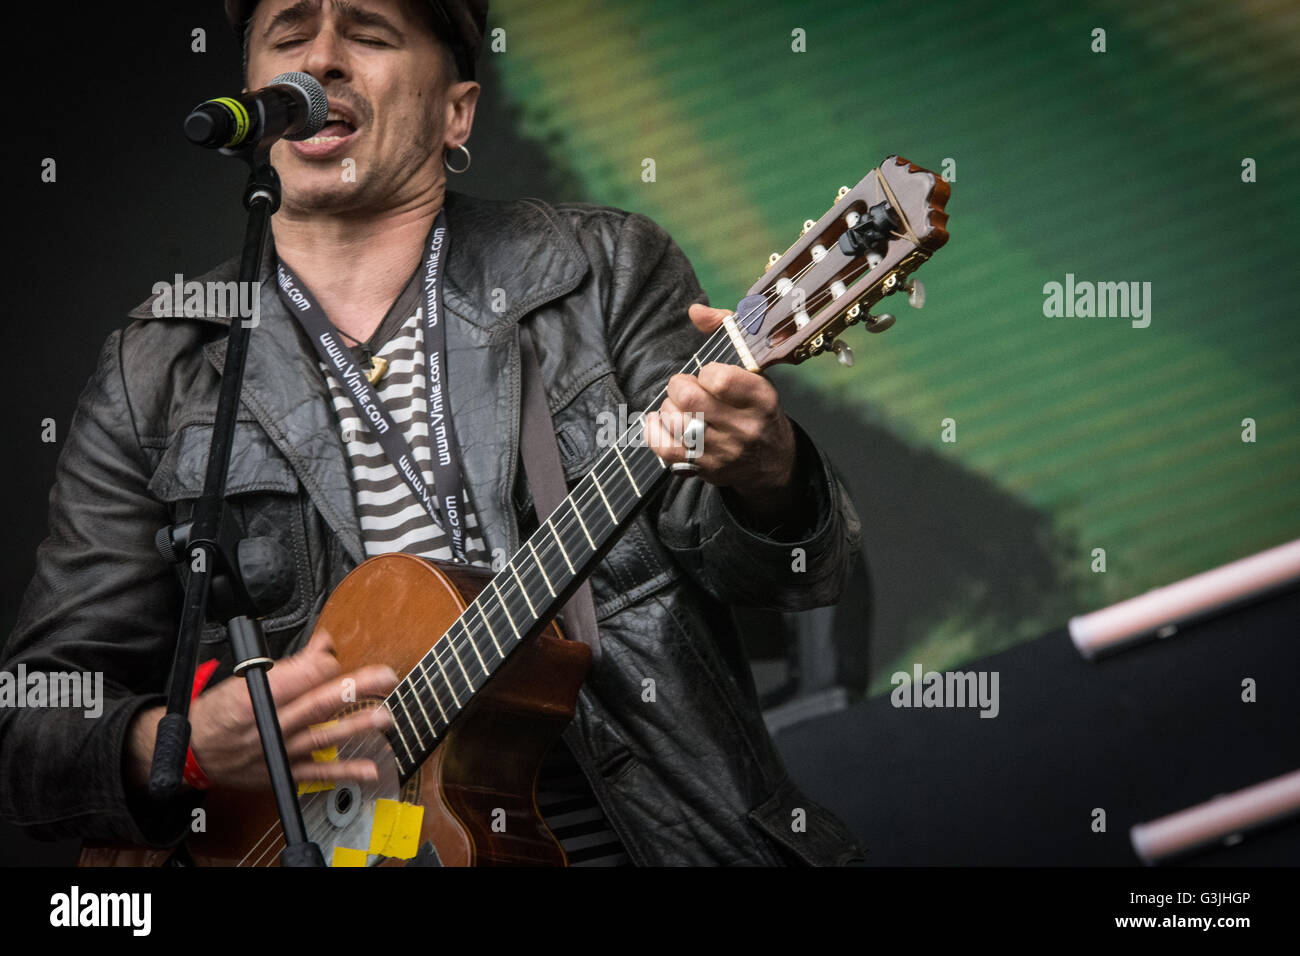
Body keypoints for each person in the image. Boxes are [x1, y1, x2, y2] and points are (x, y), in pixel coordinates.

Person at [0, 0, 865, 866]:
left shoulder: (600, 273)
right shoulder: (158, 366)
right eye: (290, 36)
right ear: (252, 94)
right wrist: (178, 745)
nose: (323, 60)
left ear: (457, 112)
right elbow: (32, 717)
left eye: (368, 34)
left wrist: (767, 469)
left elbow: (790, 576)